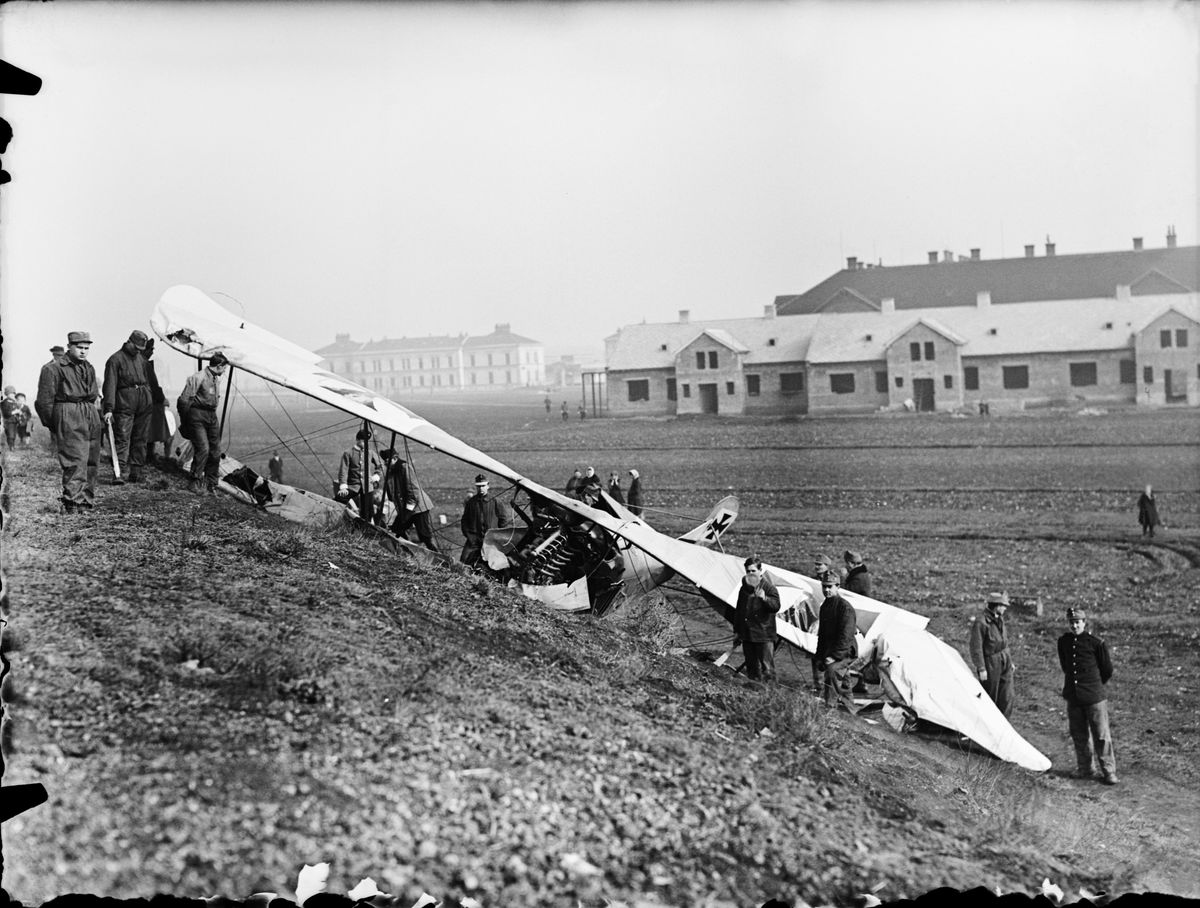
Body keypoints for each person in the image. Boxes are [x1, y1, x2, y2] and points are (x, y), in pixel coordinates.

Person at [35, 331, 103, 512]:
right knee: (75, 459)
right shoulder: (53, 369)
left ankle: (86, 501)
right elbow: (44, 402)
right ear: (69, 347)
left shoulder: (89, 367)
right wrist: (57, 423)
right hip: (68, 413)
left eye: (86, 348)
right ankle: (73, 502)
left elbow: (94, 393)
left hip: (90, 412)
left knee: (91, 459)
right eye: (79, 348)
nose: (83, 352)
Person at [1058, 607, 1118, 785]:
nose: (1074, 625)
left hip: (1094, 697)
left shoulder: (1096, 643)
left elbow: (1107, 670)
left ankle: (1109, 771)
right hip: (1074, 696)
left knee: (1101, 735)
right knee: (1079, 734)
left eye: (1078, 622)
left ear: (1084, 623)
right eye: (1071, 622)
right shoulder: (1064, 641)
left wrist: (1093, 685)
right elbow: (1065, 666)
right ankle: (1086, 769)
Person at [102, 329, 155, 483]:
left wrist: (149, 397)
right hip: (124, 404)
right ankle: (118, 473)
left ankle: (136, 472)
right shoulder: (115, 360)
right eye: (136, 348)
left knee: (141, 438)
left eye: (141, 350)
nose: (138, 352)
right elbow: (110, 386)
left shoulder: (141, 360)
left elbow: (147, 380)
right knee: (122, 438)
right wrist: (109, 409)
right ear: (129, 342)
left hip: (144, 404)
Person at [178, 352, 229, 494]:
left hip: (211, 415)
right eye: (224, 368)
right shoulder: (198, 377)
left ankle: (211, 483)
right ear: (218, 366)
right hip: (197, 414)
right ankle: (194, 481)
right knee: (203, 448)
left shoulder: (215, 379)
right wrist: (186, 421)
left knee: (216, 450)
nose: (225, 371)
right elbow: (183, 401)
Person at [814, 573, 859, 712]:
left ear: (838, 587)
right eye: (824, 587)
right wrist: (819, 656)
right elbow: (822, 634)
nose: (827, 590)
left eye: (830, 587)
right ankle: (851, 709)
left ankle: (830, 708)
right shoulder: (825, 606)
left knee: (832, 671)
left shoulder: (844, 607)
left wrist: (834, 656)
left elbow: (846, 636)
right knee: (843, 679)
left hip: (845, 650)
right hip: (832, 648)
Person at [381, 448, 439, 552]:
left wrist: (409, 508)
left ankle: (440, 557)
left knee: (425, 535)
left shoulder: (405, 467)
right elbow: (392, 493)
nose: (385, 464)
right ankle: (409, 549)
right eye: (384, 461)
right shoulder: (391, 472)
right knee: (397, 530)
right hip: (405, 509)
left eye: (387, 461)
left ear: (394, 458)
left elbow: (413, 489)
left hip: (418, 507)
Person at [969, 592, 1015, 719]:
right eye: (1003, 606)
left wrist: (1009, 661)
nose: (1005, 608)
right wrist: (981, 668)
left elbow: (1004, 642)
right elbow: (976, 647)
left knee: (1007, 696)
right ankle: (987, 728)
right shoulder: (981, 623)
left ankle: (1004, 727)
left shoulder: (1000, 619)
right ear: (997, 606)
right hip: (991, 664)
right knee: (990, 697)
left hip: (1004, 660)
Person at [734, 556, 781, 682]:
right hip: (748, 635)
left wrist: (765, 598)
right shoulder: (744, 589)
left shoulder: (769, 588)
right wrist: (737, 631)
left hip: (763, 635)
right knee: (752, 668)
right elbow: (739, 611)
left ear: (760, 571)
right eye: (748, 571)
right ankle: (754, 694)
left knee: (768, 669)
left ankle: (771, 695)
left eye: (753, 571)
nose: (750, 574)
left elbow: (776, 607)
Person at [460, 474, 511, 567]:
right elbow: (464, 521)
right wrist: (469, 536)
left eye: (483, 486)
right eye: (478, 486)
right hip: (474, 541)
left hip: (491, 542)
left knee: (497, 565)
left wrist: (498, 538)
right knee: (463, 561)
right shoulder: (471, 502)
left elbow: (503, 522)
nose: (481, 488)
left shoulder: (496, 501)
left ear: (488, 485)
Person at [336, 428, 381, 522]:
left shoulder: (370, 453)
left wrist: (377, 476)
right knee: (339, 499)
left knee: (368, 511)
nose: (366, 443)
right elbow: (343, 470)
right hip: (353, 485)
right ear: (357, 440)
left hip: (368, 486)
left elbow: (380, 465)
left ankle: (365, 530)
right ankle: (338, 520)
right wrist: (343, 486)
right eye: (363, 441)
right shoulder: (348, 453)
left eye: (367, 441)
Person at [143, 339, 171, 465]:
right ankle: (149, 456)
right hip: (149, 402)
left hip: (142, 401)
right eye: (151, 349)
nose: (152, 352)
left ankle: (148, 455)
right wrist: (162, 399)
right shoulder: (145, 364)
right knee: (151, 431)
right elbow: (154, 385)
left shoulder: (138, 362)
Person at [39, 345, 67, 454]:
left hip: (61, 400)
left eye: (62, 355)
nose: (60, 357)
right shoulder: (47, 367)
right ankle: (55, 451)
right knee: (53, 426)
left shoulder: (65, 366)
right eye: (58, 355)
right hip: (51, 401)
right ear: (53, 354)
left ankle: (63, 451)